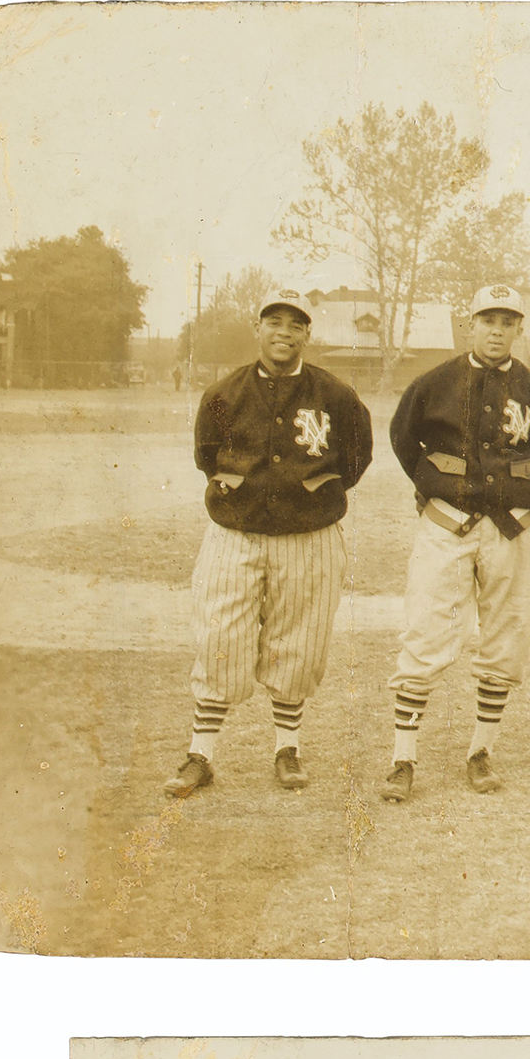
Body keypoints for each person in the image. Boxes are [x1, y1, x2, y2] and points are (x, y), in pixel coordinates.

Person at [164, 287, 372, 798]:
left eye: (295, 324)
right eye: (274, 321)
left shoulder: (336, 395)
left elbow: (356, 458)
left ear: (307, 334)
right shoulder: (223, 393)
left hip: (309, 536)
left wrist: (312, 491)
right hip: (235, 533)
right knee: (219, 639)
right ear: (257, 328)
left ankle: (287, 749)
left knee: (298, 644)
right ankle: (200, 755)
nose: (284, 332)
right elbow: (207, 455)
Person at [382, 283, 530, 800]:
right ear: (470, 324)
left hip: (512, 526)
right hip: (448, 524)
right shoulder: (434, 382)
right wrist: (436, 485)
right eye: (488, 320)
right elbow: (404, 440)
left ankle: (481, 752)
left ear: (519, 329)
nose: (497, 331)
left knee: (508, 637)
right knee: (425, 633)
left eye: (508, 322)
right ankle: (403, 758)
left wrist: (513, 488)